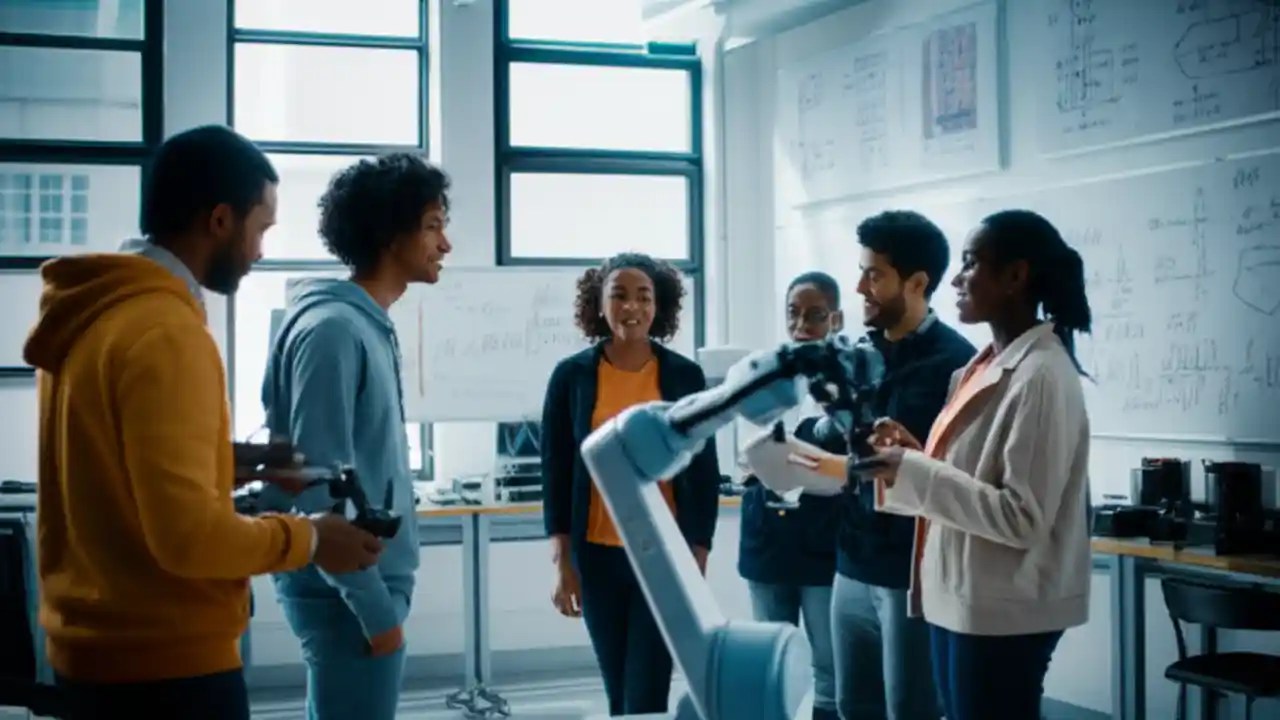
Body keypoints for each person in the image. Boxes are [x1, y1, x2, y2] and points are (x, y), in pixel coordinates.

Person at [22, 124, 383, 719]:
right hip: (166, 668)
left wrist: (230, 463)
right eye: (260, 227)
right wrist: (315, 538)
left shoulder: (89, 318)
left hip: (89, 656)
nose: (261, 249)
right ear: (220, 220)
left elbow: (108, 470)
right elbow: (190, 539)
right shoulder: (166, 332)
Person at [798, 210, 1094, 720]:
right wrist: (913, 455)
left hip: (1000, 610)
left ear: (1016, 276)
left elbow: (1021, 515)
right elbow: (963, 473)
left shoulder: (1041, 375)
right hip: (955, 595)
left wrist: (908, 468)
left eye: (971, 263)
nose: (955, 279)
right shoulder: (983, 365)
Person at [256, 154, 451, 719]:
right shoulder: (335, 330)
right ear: (391, 233)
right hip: (347, 594)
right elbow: (317, 485)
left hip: (360, 585)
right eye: (434, 225)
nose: (446, 244)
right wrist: (376, 612)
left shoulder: (362, 322)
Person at [541, 252, 721, 717]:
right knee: (617, 685)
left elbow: (703, 473)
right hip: (596, 554)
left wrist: (697, 554)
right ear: (599, 305)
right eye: (618, 295)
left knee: (647, 688)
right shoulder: (572, 376)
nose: (631, 307)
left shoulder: (683, 375)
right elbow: (557, 471)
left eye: (643, 296)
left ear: (658, 306)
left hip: (663, 552)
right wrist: (563, 562)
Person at [829, 211, 975, 720]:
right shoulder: (854, 355)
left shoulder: (957, 364)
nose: (859, 286)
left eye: (874, 275)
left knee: (909, 711)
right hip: (850, 562)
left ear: (917, 283)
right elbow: (838, 441)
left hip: (912, 570)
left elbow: (962, 472)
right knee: (855, 709)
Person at [736, 271, 844, 720]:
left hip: (824, 542)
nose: (802, 324)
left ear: (835, 318)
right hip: (768, 537)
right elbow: (745, 454)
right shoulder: (764, 373)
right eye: (793, 313)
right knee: (773, 660)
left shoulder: (848, 376)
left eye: (815, 315)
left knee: (829, 664)